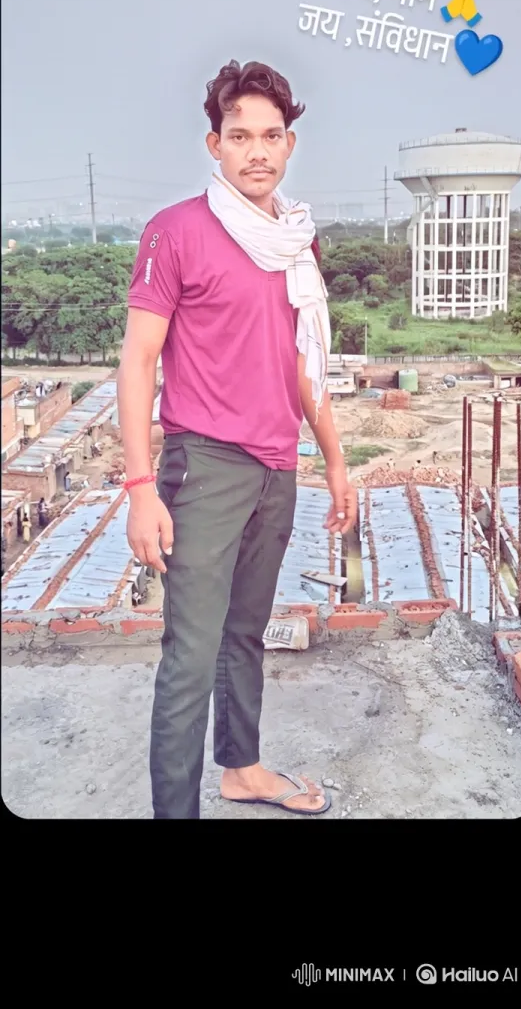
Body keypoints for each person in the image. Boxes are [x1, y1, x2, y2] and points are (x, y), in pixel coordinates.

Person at [118, 59, 357, 820]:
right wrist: (140, 486)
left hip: (275, 466)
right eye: (240, 136)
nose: (257, 150)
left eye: (272, 136)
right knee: (190, 656)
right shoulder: (177, 231)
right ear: (214, 144)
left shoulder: (293, 242)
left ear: (290, 145)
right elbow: (138, 358)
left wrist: (337, 462)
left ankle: (242, 769)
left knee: (246, 633)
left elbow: (303, 365)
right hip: (205, 467)